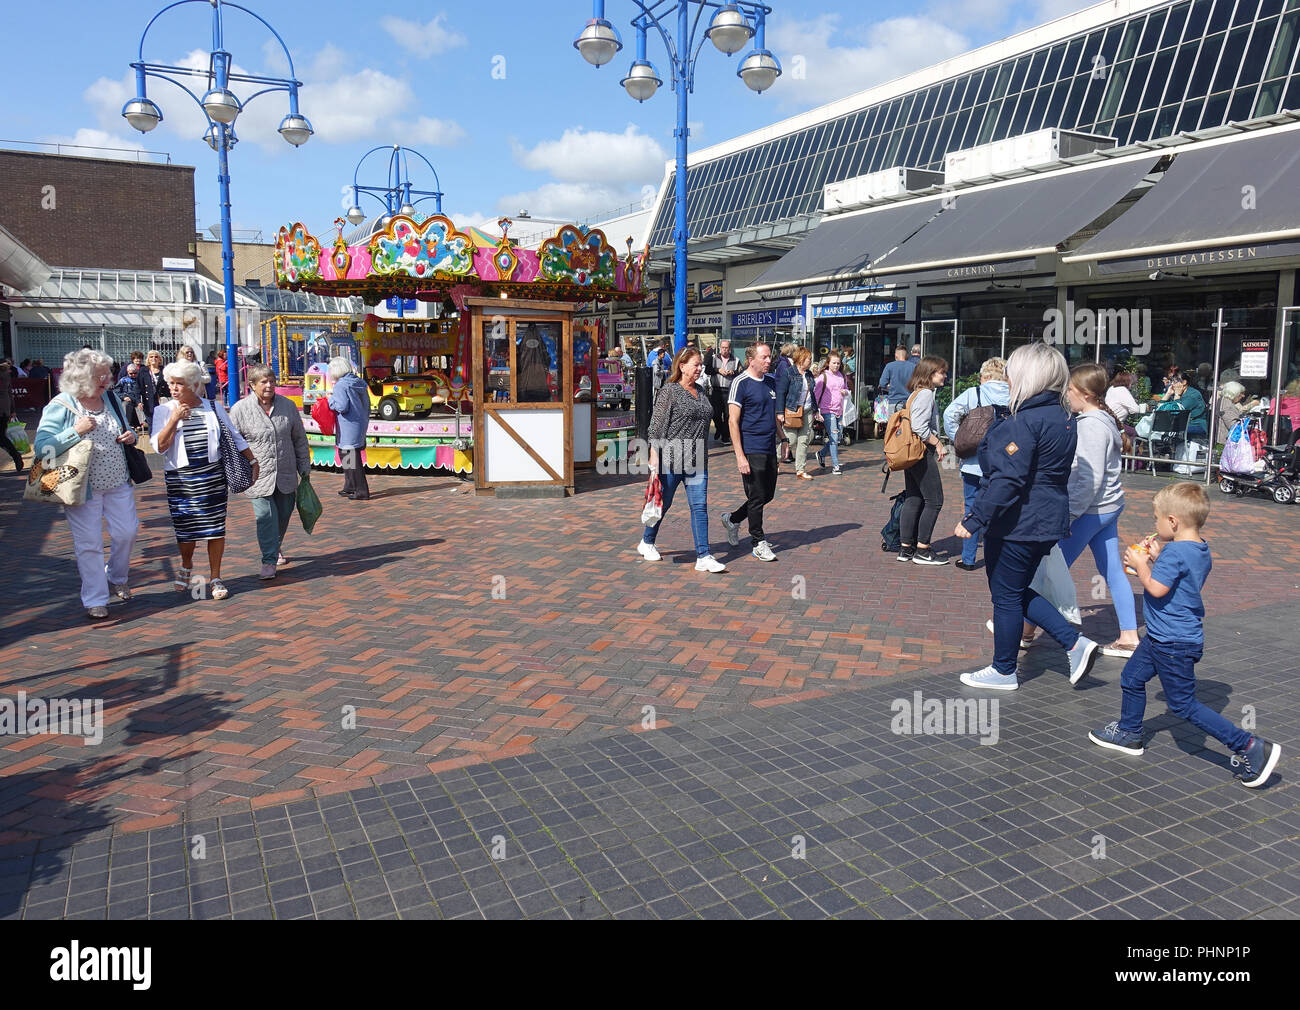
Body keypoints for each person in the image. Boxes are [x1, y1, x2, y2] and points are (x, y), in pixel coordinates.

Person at [1089, 483, 1281, 787]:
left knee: (1182, 705)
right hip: (1162, 636)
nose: (1154, 524)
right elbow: (1177, 584)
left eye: (1156, 519)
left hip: (1172, 642)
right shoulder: (1199, 548)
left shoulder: (1175, 552)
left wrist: (1140, 566)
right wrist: (1154, 561)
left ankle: (1249, 746)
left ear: (1173, 522)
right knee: (1132, 678)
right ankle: (1128, 732)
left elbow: (1155, 588)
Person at [954, 341, 1097, 691]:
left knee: (1006, 595)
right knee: (1016, 591)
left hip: (1020, 522)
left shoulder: (1024, 421)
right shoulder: (1063, 417)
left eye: (1013, 371)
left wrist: (974, 520)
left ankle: (1005, 669)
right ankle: (1074, 644)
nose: (1008, 377)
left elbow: (1007, 479)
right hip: (1046, 520)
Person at [1027, 364, 1140, 658]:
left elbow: (1089, 479)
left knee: (1047, 570)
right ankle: (1129, 635)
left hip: (1089, 511)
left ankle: (1022, 630)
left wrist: (1069, 515)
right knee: (1111, 570)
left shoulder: (1090, 426)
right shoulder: (1102, 420)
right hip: (1106, 507)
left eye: (1070, 390)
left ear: (1086, 394)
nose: (1066, 395)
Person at [33, 349, 140, 619]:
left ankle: (116, 575)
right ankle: (95, 598)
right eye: (98, 375)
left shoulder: (111, 398)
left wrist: (131, 437)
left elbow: (128, 430)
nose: (106, 379)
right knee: (89, 543)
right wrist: (75, 431)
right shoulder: (61, 405)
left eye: (107, 373)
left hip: (118, 480)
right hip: (81, 487)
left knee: (127, 532)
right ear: (80, 377)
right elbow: (42, 448)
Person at [152, 359, 258, 601]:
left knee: (215, 529)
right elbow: (158, 447)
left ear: (193, 384)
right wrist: (174, 419)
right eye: (171, 383)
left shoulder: (213, 406)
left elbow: (234, 435)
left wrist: (252, 461)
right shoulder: (164, 411)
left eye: (179, 384)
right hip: (181, 478)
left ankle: (215, 577)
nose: (174, 388)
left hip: (212, 475)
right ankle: (187, 564)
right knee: (186, 530)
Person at [637, 347, 725, 573]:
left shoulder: (702, 390)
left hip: (697, 460)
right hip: (672, 456)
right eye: (695, 364)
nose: (699, 368)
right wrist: (654, 455)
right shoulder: (670, 391)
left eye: (700, 365)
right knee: (663, 503)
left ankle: (703, 555)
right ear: (682, 365)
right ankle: (647, 541)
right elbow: (656, 426)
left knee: (699, 507)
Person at [230, 365, 311, 580]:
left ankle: (275, 547)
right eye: (263, 382)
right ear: (252, 385)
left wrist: (304, 466)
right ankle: (268, 560)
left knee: (283, 515)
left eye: (271, 381)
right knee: (266, 517)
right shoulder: (240, 409)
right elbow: (232, 442)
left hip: (285, 472)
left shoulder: (288, 406)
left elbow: (299, 439)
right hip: (257, 475)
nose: (269, 385)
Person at [943, 357, 1010, 571]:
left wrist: (959, 439)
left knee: (971, 507)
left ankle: (968, 558)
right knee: (1000, 511)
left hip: (974, 462)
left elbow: (949, 414)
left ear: (986, 376)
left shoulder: (975, 393)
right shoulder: (1016, 395)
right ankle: (995, 559)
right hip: (1004, 465)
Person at [721, 343, 779, 562]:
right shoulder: (740, 383)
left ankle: (733, 519)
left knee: (767, 495)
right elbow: (733, 422)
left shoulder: (771, 381)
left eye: (769, 357)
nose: (768, 360)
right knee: (756, 496)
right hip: (751, 448)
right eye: (764, 357)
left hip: (769, 447)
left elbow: (774, 415)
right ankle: (758, 542)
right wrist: (739, 456)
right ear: (751, 359)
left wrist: (782, 439)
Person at [897, 355, 950, 565]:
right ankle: (923, 549)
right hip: (920, 451)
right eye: (942, 372)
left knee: (914, 498)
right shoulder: (926, 394)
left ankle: (906, 548)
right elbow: (919, 426)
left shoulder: (915, 393)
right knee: (935, 500)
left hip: (910, 452)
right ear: (930, 373)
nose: (945, 376)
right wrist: (937, 443)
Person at [327, 356, 371, 501]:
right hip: (359, 423)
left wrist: (330, 400)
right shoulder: (358, 382)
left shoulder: (341, 385)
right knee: (349, 455)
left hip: (347, 425)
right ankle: (350, 485)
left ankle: (360, 489)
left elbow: (341, 406)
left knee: (350, 458)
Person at [776, 347, 817, 480]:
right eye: (808, 359)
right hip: (792, 410)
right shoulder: (789, 373)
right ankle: (774, 460)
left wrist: (816, 410)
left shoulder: (809, 374)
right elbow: (781, 393)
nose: (810, 361)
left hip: (807, 410)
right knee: (790, 440)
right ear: (800, 359)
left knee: (804, 440)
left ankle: (800, 470)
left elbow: (812, 393)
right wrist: (780, 412)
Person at [814, 351, 849, 475]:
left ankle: (822, 454)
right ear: (828, 363)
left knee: (838, 437)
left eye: (838, 363)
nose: (836, 365)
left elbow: (846, 389)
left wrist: (845, 391)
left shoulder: (841, 376)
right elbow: (816, 394)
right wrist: (816, 411)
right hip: (827, 411)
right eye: (834, 363)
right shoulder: (823, 376)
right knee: (834, 438)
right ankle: (835, 466)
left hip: (839, 410)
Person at [703, 338, 740, 444]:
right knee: (715, 414)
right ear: (720, 348)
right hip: (716, 389)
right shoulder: (714, 358)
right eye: (723, 348)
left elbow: (740, 372)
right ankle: (719, 428)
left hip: (729, 391)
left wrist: (733, 372)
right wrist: (718, 370)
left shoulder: (735, 360)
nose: (724, 350)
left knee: (728, 415)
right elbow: (707, 370)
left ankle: (725, 436)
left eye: (726, 348)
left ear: (730, 348)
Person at [1215, 380, 1259, 445]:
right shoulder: (1227, 405)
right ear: (1234, 393)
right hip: (1226, 444)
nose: (1243, 396)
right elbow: (1233, 426)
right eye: (1241, 393)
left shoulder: (1226, 402)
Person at [0, 359, 24, 472]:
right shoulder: (5, 374)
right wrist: (12, 410)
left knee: (1, 437)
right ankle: (16, 456)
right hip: (5, 409)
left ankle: (15, 455)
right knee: (1, 437)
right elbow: (10, 393)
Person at [773, 344, 796, 462]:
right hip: (782, 397)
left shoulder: (786, 362)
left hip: (785, 396)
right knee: (784, 426)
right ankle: (783, 453)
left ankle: (788, 452)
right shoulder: (783, 364)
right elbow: (783, 382)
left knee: (786, 427)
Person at [877, 346, 916, 411]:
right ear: (906, 355)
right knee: (907, 421)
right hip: (909, 402)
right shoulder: (913, 367)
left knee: (893, 421)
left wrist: (890, 387)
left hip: (893, 402)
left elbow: (882, 384)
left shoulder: (889, 366)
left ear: (896, 355)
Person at [113, 362, 144, 431]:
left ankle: (137, 424)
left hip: (138, 399)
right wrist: (123, 397)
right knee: (127, 404)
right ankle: (130, 424)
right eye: (131, 373)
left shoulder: (140, 380)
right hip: (127, 399)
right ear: (127, 372)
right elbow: (116, 391)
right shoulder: (123, 380)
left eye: (135, 373)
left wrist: (139, 401)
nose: (133, 375)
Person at [138, 348, 167, 422]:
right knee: (151, 425)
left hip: (162, 401)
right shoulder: (143, 370)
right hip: (148, 402)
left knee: (163, 423)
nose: (154, 358)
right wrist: (138, 401)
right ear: (148, 359)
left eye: (156, 357)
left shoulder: (165, 370)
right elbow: (138, 387)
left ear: (159, 359)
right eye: (151, 357)